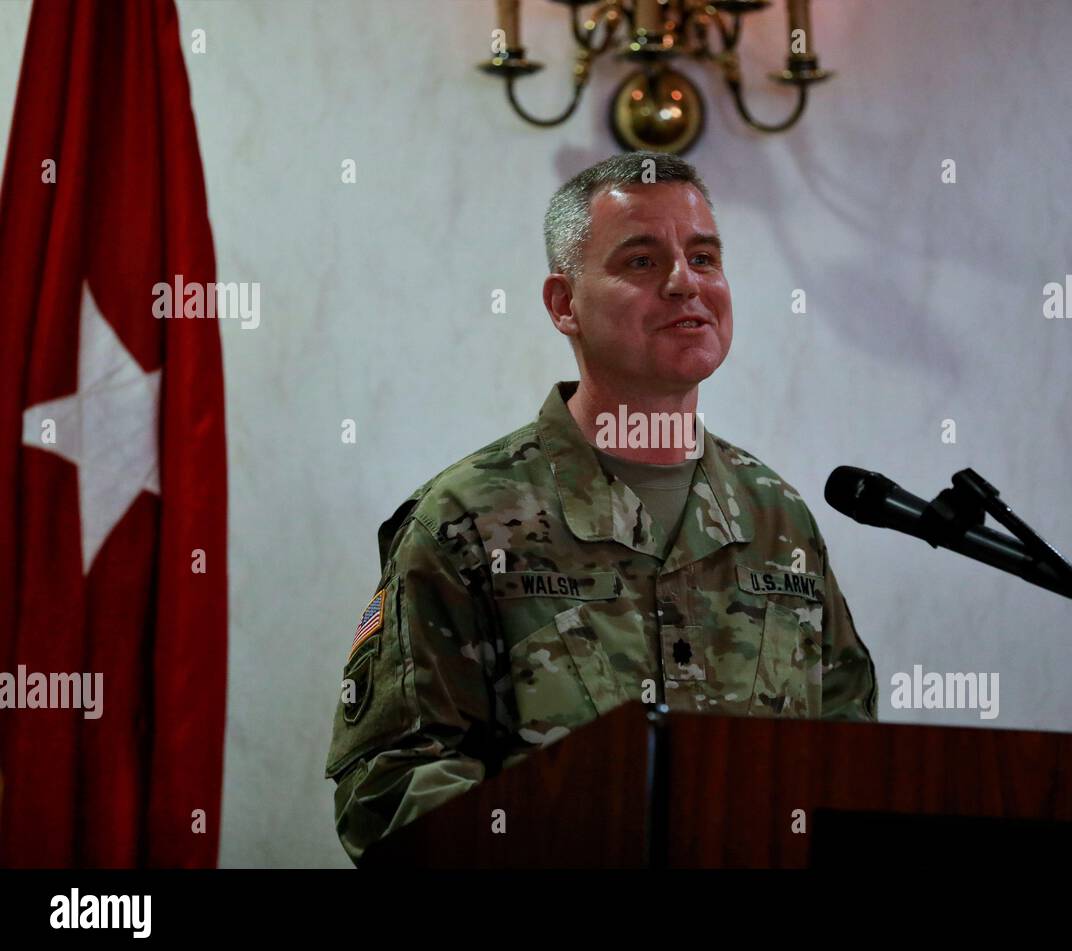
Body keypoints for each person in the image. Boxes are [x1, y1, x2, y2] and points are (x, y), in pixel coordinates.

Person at [324, 150, 879, 864]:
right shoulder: (466, 517)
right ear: (564, 305)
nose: (686, 283)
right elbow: (388, 785)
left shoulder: (777, 517)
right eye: (643, 262)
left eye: (705, 258)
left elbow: (852, 755)